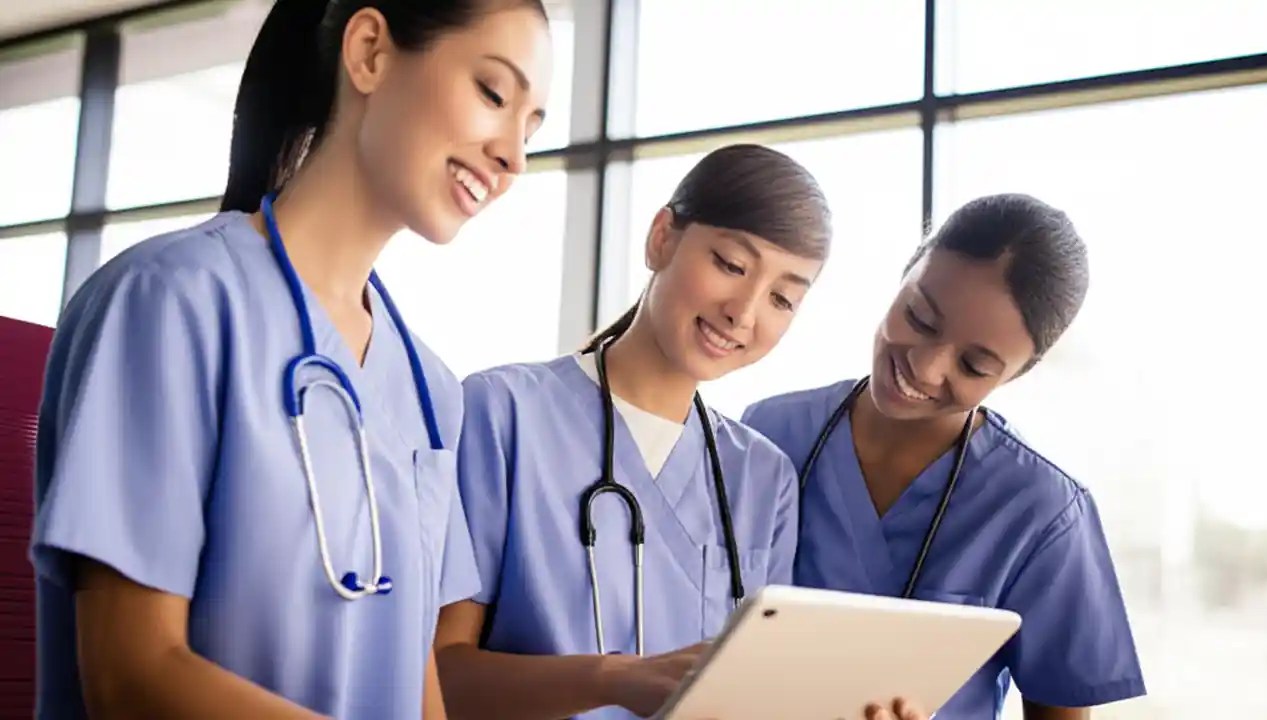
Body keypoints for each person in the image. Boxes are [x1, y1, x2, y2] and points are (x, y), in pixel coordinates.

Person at [28, 1, 552, 718]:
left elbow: (415, 673)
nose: (513, 157)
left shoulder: (430, 390)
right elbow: (133, 674)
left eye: (531, 129)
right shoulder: (170, 301)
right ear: (369, 51)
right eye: (494, 94)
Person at [432, 143, 926, 720]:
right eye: (731, 265)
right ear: (661, 237)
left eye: (781, 297)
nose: (743, 312)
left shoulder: (762, 480)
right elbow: (439, 674)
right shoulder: (503, 412)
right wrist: (612, 678)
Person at [742, 193, 1147, 719]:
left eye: (975, 365)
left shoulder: (1041, 509)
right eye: (920, 317)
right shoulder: (767, 432)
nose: (925, 367)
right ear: (906, 272)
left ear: (1018, 372)